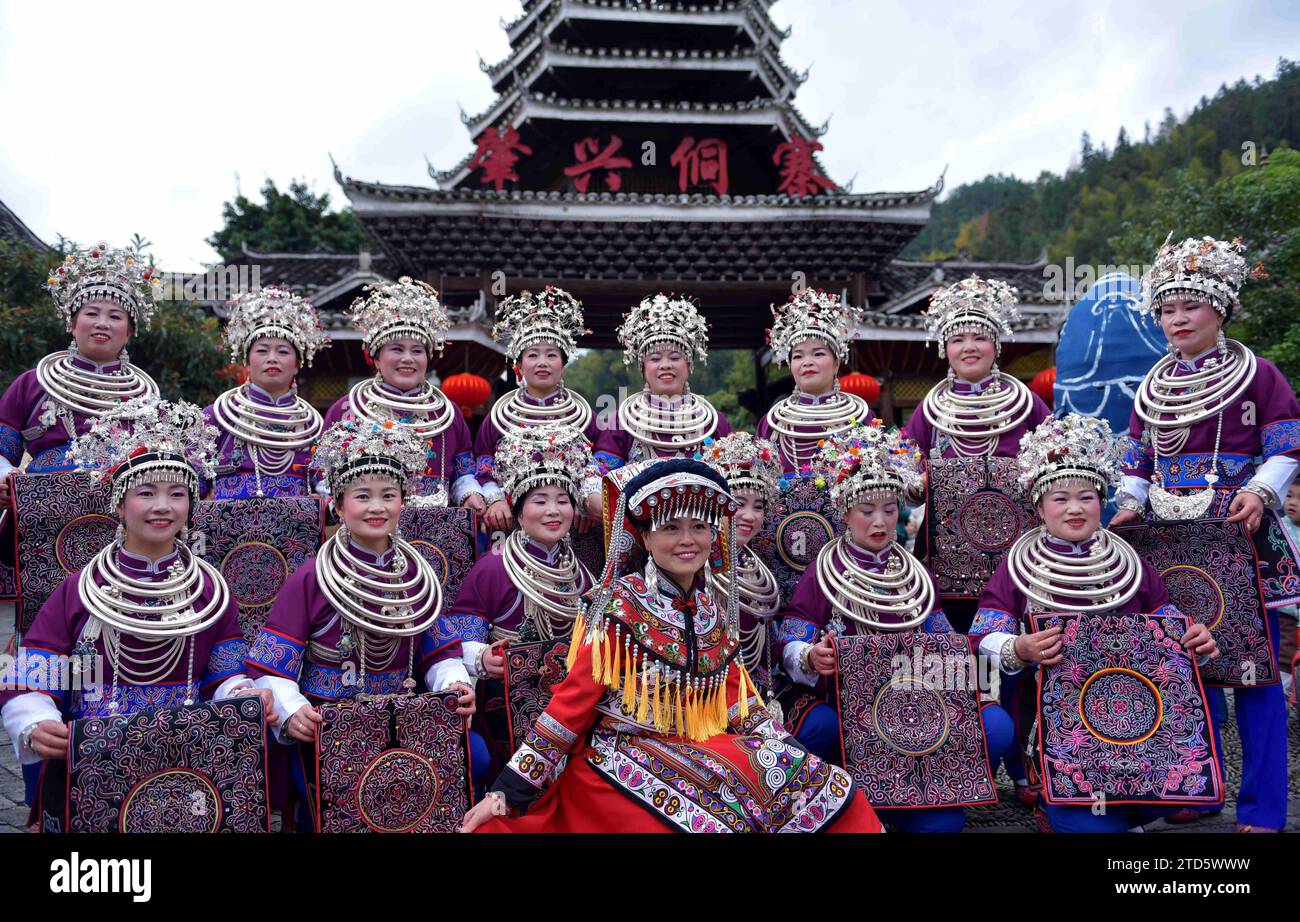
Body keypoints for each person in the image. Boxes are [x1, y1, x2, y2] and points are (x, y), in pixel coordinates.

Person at [459, 457, 882, 833]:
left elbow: (737, 700)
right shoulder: (616, 607)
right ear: (643, 537)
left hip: (703, 745)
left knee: (826, 786)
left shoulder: (710, 606)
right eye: (671, 527)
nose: (688, 540)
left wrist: (784, 750)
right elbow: (569, 708)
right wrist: (506, 794)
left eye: (699, 526)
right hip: (622, 754)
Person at [0, 396, 273, 818]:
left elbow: (226, 670)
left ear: (191, 506)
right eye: (146, 492)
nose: (162, 506)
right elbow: (36, 670)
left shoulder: (211, 592)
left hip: (189, 749)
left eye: (177, 494)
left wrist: (243, 693)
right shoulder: (79, 590)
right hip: (98, 753)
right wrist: (35, 721)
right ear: (119, 504)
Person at [1110, 236, 1293, 833]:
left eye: (1190, 306)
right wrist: (1129, 504)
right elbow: (1136, 460)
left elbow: (1286, 446)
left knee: (1255, 671)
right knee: (1188, 660)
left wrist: (1261, 491)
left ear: (1220, 309)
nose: (1177, 319)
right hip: (1169, 534)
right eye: (1167, 309)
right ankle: (1200, 787)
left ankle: (1264, 809)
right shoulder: (1152, 387)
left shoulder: (1258, 376)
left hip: (1241, 527)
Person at [973, 413, 1219, 833]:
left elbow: (1168, 621)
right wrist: (1020, 648)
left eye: (1086, 497)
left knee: (1149, 798)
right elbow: (981, 636)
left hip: (1137, 718)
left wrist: (1196, 636)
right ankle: (1056, 799)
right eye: (1060, 498)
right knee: (1088, 825)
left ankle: (1128, 804)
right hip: (1060, 724)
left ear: (1102, 501)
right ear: (1038, 506)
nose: (1074, 509)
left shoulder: (1130, 563)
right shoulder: (1017, 567)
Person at [773, 420, 1012, 833]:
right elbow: (791, 637)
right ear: (846, 511)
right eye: (868, 511)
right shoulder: (823, 572)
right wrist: (812, 657)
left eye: (889, 509)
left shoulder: (914, 573)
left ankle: (942, 782)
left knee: (995, 727)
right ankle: (840, 795)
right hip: (846, 708)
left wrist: (951, 658)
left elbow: (944, 638)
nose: (880, 521)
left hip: (918, 703)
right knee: (819, 728)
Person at [245, 419, 479, 830]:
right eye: (362, 496)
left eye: (388, 495)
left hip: (405, 717)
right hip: (330, 719)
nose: (376, 507)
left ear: (403, 502)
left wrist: (453, 686)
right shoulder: (312, 576)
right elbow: (270, 666)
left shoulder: (416, 575)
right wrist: (294, 711)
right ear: (337, 505)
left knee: (475, 756)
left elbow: (437, 650)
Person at [909, 274, 1052, 795]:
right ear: (944, 348)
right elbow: (902, 465)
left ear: (997, 343)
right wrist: (911, 479)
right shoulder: (929, 409)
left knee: (1022, 657)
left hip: (1018, 560)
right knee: (962, 661)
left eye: (979, 336)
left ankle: (1027, 763)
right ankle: (973, 761)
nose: (968, 347)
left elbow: (1054, 460)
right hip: (947, 562)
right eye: (957, 338)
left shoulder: (1027, 404)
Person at [434, 424, 594, 759]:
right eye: (540, 501)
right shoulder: (493, 568)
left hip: (573, 705)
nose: (553, 510)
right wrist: (482, 658)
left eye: (562, 500)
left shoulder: (583, 574)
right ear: (518, 512)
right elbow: (454, 640)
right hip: (507, 706)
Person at [0, 242, 160, 498]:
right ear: (72, 324)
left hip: (120, 511)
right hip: (39, 505)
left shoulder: (145, 399)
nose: (102, 324)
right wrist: (4, 479)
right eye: (92, 313)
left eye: (115, 317)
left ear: (129, 332)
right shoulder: (32, 384)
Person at [322, 277, 483, 510]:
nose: (408, 359)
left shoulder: (448, 413)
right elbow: (324, 474)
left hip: (435, 526)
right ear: (376, 358)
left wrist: (470, 495)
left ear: (428, 358)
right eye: (397, 349)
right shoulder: (347, 409)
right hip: (370, 524)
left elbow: (463, 472)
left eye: (417, 350)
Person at [584, 293, 731, 517]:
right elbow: (598, 480)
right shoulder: (620, 421)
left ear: (689, 364)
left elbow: (735, 483)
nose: (665, 365)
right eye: (655, 359)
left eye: (674, 357)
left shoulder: (714, 422)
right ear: (643, 367)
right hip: (639, 528)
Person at [475, 287, 597, 533]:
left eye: (551, 355)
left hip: (572, 524)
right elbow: (482, 464)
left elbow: (599, 463)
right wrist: (495, 499)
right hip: (511, 522)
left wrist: (586, 503)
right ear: (519, 365)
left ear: (562, 365)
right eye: (533, 355)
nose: (542, 362)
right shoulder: (499, 417)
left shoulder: (584, 417)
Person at [203, 287, 328, 498]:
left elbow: (331, 494)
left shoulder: (312, 427)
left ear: (297, 364)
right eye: (262, 350)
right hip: (226, 529)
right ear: (247, 362)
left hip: (297, 530)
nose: (272, 358)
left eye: (283, 351)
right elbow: (190, 488)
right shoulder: (217, 416)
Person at [696, 432, 784, 694]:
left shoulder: (756, 569)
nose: (749, 516)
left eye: (758, 507)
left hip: (755, 688)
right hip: (705, 689)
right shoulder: (694, 564)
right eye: (738, 502)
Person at [756, 288, 871, 473]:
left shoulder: (861, 417)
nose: (807, 362)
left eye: (818, 354)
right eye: (798, 356)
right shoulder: (773, 423)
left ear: (836, 364)